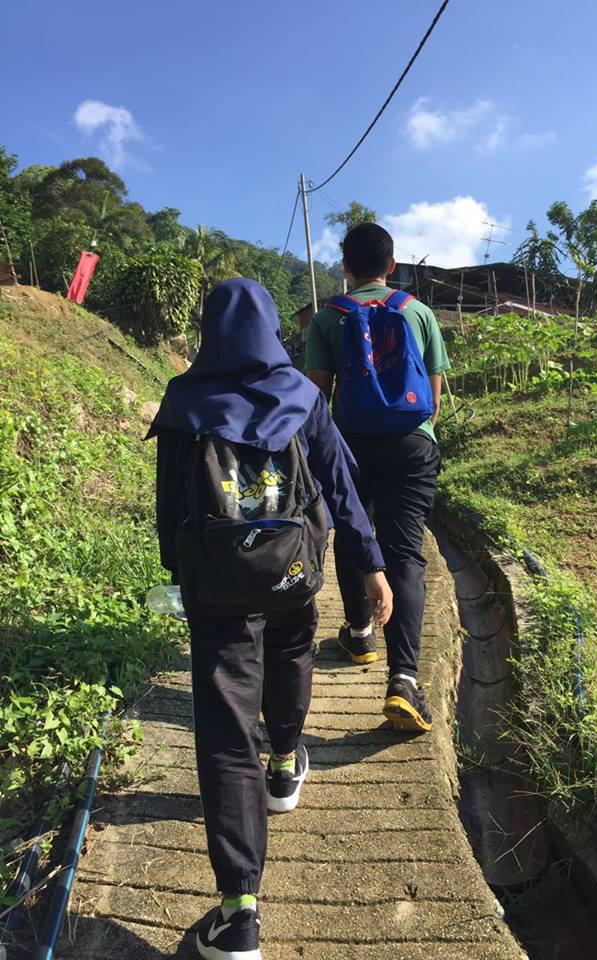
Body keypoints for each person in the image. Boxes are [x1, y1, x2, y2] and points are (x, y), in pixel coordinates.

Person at [148, 278, 392, 960]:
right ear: (269, 327)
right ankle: (285, 768)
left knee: (226, 732)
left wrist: (187, 577)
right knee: (293, 655)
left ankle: (239, 913)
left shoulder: (184, 400)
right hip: (292, 570)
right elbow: (338, 481)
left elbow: (171, 512)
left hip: (217, 587)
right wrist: (370, 562)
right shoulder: (303, 396)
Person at [305, 222, 450, 734]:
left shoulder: (329, 318)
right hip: (413, 443)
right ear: (392, 265)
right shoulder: (419, 312)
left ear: (346, 268)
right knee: (407, 552)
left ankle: (361, 631)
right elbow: (431, 397)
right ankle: (405, 680)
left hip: (351, 443)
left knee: (353, 529)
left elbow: (315, 397)